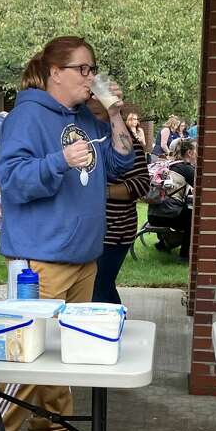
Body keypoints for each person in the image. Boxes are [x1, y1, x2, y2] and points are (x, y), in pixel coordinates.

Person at [0, 35, 135, 431]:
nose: (91, 77)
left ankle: (51, 427)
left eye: (94, 70)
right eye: (84, 69)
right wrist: (59, 160)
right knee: (28, 353)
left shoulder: (85, 117)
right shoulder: (26, 117)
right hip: (40, 257)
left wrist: (113, 117)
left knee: (64, 352)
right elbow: (13, 181)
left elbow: (118, 164)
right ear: (56, 72)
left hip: (83, 256)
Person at [93, 103, 151, 305]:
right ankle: (116, 330)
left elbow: (142, 184)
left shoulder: (125, 141)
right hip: (90, 233)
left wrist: (99, 191)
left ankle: (111, 332)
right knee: (102, 288)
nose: (92, 118)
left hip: (114, 232)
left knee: (98, 289)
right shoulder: (86, 138)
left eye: (97, 113)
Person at [150, 138, 197, 259]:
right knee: (194, 218)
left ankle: (164, 244)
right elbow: (203, 189)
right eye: (197, 150)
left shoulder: (171, 164)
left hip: (153, 214)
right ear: (189, 153)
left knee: (187, 212)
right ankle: (185, 255)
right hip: (167, 215)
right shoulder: (187, 169)